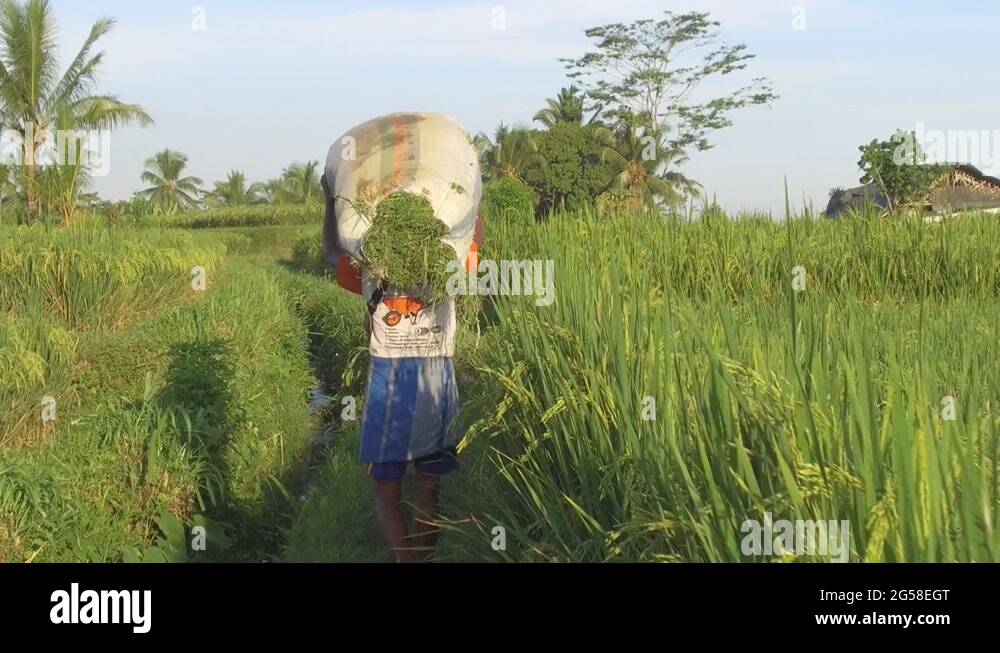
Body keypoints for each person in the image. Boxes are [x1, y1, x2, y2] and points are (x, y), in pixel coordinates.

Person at [322, 173, 480, 563]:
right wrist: (475, 194)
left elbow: (330, 251)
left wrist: (330, 202)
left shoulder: (368, 264)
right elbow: (475, 242)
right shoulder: (450, 263)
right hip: (434, 378)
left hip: (388, 383)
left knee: (386, 492)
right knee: (428, 487)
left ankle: (403, 559)